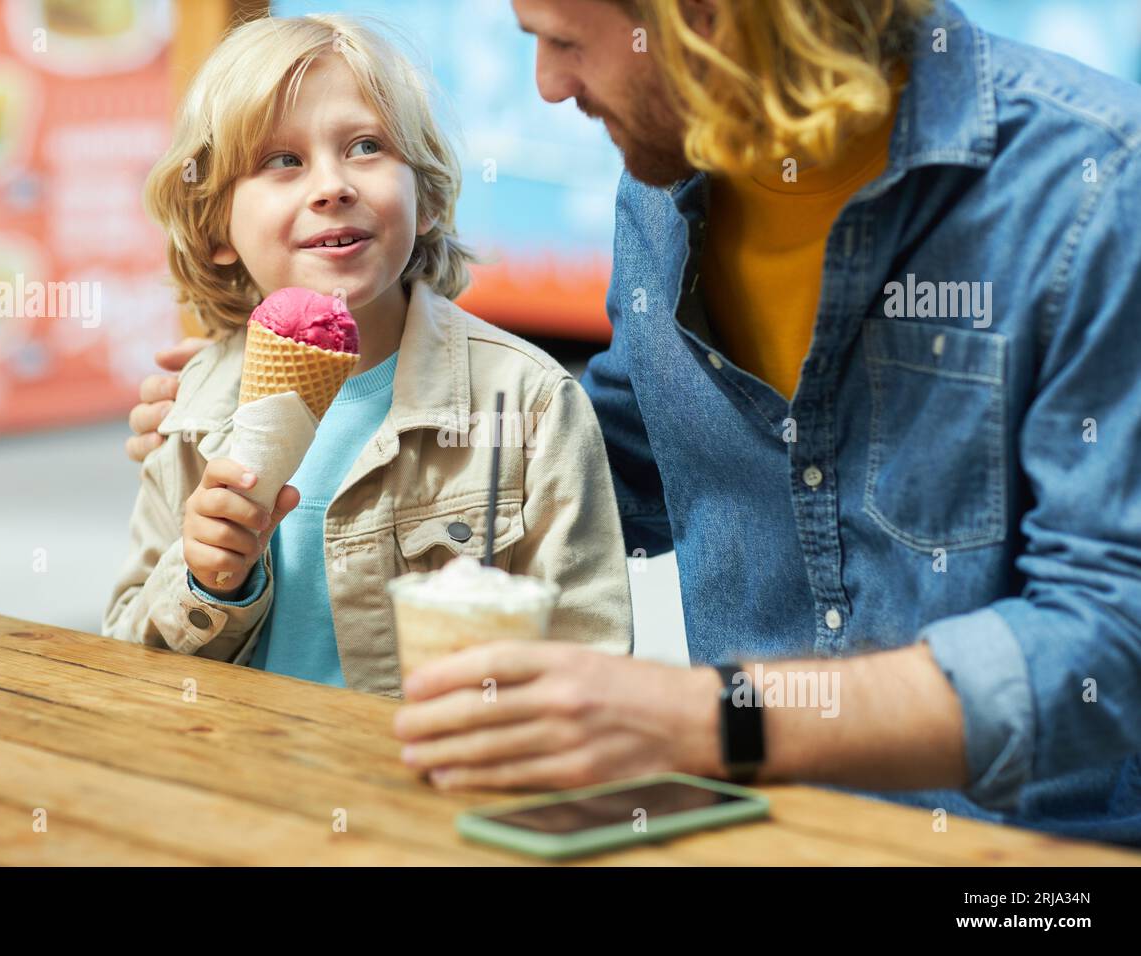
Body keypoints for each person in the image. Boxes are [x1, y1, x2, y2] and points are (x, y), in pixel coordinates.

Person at [126, 0, 1141, 847]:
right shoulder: (664, 185)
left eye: (563, 39)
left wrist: (700, 719)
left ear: (702, 20)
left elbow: (1109, 649)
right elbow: (641, 448)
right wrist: (339, 416)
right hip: (756, 832)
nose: (547, 86)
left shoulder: (1095, 189)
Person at [105, 13, 632, 695]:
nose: (332, 185)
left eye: (365, 147)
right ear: (215, 231)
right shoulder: (193, 412)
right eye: (281, 161)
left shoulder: (529, 403)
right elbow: (123, 666)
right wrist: (205, 581)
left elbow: (589, 663)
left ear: (430, 196)